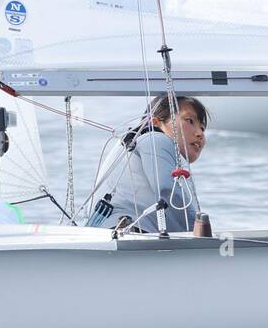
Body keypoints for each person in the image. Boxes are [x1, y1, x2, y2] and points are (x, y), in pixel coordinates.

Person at [89, 95, 208, 234]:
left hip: (108, 233)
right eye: (190, 121)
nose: (200, 133)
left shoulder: (134, 142)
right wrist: (200, 232)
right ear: (155, 122)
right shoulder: (155, 138)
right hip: (129, 235)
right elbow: (167, 191)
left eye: (203, 128)